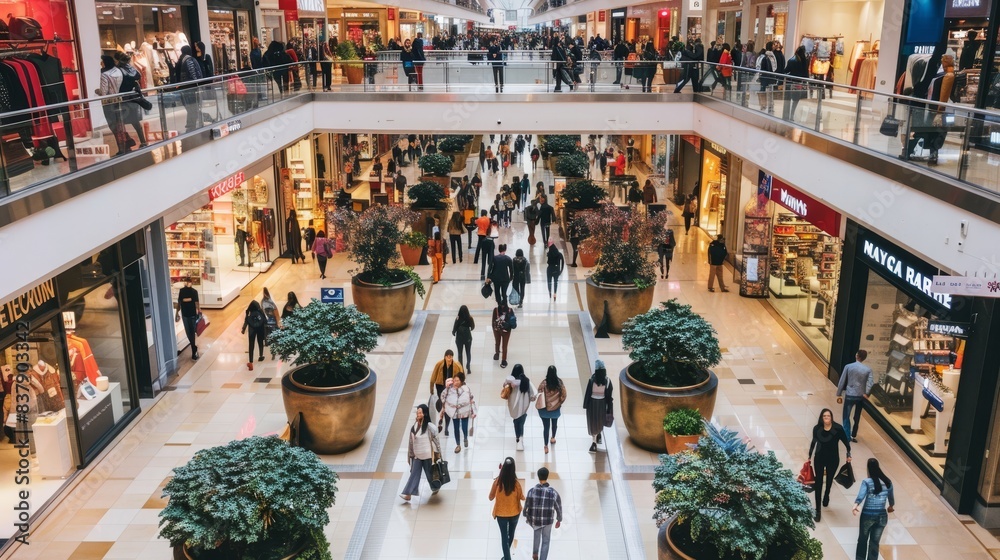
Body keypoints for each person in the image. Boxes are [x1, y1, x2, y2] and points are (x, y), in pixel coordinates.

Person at [809, 407, 852, 522]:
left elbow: (846, 443)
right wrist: (809, 455)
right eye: (824, 416)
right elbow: (814, 442)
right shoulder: (817, 428)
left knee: (829, 480)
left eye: (828, 416)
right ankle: (818, 510)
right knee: (818, 482)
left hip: (833, 459)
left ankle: (827, 494)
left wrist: (848, 454)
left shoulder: (838, 428)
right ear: (821, 418)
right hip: (819, 458)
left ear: (831, 417)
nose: (826, 418)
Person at [400, 404, 443, 502]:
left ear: (425, 413)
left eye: (420, 413)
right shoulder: (414, 427)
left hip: (427, 455)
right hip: (417, 455)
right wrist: (411, 455)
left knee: (429, 473)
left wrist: (439, 452)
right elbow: (411, 442)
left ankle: (435, 486)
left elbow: (436, 440)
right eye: (417, 413)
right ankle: (408, 494)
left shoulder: (430, 427)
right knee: (414, 474)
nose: (418, 414)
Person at [853, 458, 894, 560]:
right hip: (882, 516)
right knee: (874, 543)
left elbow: (861, 495)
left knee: (862, 540)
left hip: (867, 515)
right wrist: (890, 506)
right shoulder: (888, 482)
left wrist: (856, 504)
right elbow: (891, 499)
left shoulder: (867, 482)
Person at [523, 467, 563, 560]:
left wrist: (525, 513)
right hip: (547, 520)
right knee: (546, 540)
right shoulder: (553, 492)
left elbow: (526, 504)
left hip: (535, 519)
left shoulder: (531, 491)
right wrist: (559, 519)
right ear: (547, 476)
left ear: (538, 477)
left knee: (536, 535)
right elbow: (558, 506)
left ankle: (535, 553)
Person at [489, 457, 525, 560]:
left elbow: (490, 497)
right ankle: (506, 557)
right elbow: (522, 497)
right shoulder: (516, 484)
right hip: (515, 513)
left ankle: (507, 557)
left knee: (504, 537)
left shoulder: (497, 482)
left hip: (501, 514)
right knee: (511, 534)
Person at [113, 52, 148, 149]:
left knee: (120, 122)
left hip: (123, 98)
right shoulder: (130, 68)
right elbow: (138, 76)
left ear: (117, 60)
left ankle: (126, 143)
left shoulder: (117, 69)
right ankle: (143, 141)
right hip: (133, 97)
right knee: (135, 121)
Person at [836, 350, 873, 442]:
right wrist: (866, 393)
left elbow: (842, 381)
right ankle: (854, 434)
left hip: (850, 394)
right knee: (857, 416)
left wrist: (839, 393)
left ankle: (847, 435)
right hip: (861, 396)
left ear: (857, 356)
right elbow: (871, 383)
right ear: (864, 358)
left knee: (846, 415)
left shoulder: (848, 366)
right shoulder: (868, 370)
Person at [430, 349, 465, 433]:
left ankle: (446, 426)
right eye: (448, 357)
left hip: (451, 388)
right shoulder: (439, 364)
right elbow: (433, 377)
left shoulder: (457, 365)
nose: (449, 359)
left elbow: (462, 378)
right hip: (440, 386)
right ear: (445, 357)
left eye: (451, 357)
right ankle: (443, 418)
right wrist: (431, 389)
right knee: (443, 404)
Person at [503, 364, 537, 450]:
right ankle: (520, 439)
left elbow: (504, 387)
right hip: (523, 406)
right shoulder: (526, 381)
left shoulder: (509, 381)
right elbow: (532, 394)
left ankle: (518, 437)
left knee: (515, 421)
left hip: (513, 406)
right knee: (521, 422)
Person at [441, 372, 476, 452]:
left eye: (457, 380)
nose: (455, 382)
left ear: (461, 381)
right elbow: (443, 396)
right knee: (456, 428)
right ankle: (458, 445)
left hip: (464, 411)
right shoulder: (449, 389)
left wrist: (472, 409)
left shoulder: (466, 389)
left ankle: (465, 438)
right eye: (454, 380)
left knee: (464, 427)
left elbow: (470, 398)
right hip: (454, 412)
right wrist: (446, 405)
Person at [583, 360, 613, 452]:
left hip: (592, 404)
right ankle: (599, 435)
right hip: (602, 404)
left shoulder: (592, 380)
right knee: (600, 420)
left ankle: (594, 442)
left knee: (593, 421)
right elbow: (609, 395)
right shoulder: (607, 381)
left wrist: (585, 405)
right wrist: (609, 408)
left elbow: (588, 393)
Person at [174, 45, 205, 132]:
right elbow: (193, 73)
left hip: (184, 87)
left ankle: (190, 125)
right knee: (193, 107)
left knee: (190, 107)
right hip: (191, 87)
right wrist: (198, 82)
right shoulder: (189, 60)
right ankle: (192, 126)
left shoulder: (180, 60)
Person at [537, 366, 567, 455]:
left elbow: (539, 391)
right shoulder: (559, 383)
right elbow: (564, 395)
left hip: (544, 410)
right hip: (555, 409)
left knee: (546, 427)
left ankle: (546, 446)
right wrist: (559, 403)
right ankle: (553, 438)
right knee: (554, 424)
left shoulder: (544, 383)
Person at [174, 277, 200, 360]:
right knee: (190, 332)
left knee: (190, 332)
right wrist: (177, 313)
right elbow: (180, 302)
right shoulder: (184, 291)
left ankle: (193, 349)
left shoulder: (193, 291)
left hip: (190, 314)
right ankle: (194, 347)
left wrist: (198, 311)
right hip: (187, 314)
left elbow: (196, 303)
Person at [782, 45, 810, 121]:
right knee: (796, 100)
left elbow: (786, 70)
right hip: (799, 83)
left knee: (788, 99)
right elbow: (806, 73)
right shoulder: (805, 61)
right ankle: (792, 114)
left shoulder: (791, 60)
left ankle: (786, 115)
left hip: (790, 82)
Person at [240, 300, 268, 371]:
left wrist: (243, 329)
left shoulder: (249, 312)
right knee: (260, 342)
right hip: (260, 328)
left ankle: (251, 361)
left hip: (251, 329)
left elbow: (246, 321)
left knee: (251, 344)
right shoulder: (260, 311)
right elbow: (265, 320)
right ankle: (261, 356)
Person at [452, 305, 475, 374]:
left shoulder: (458, 318)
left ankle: (461, 369)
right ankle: (468, 366)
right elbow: (473, 327)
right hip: (468, 338)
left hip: (459, 338)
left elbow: (454, 329)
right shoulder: (470, 318)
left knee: (460, 353)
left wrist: (454, 332)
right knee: (468, 352)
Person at [492, 302, 514, 368]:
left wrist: (494, 329)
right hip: (506, 331)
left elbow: (493, 321)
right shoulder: (509, 310)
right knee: (503, 345)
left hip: (498, 330)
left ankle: (499, 355)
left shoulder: (496, 310)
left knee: (500, 344)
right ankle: (503, 359)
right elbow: (512, 321)